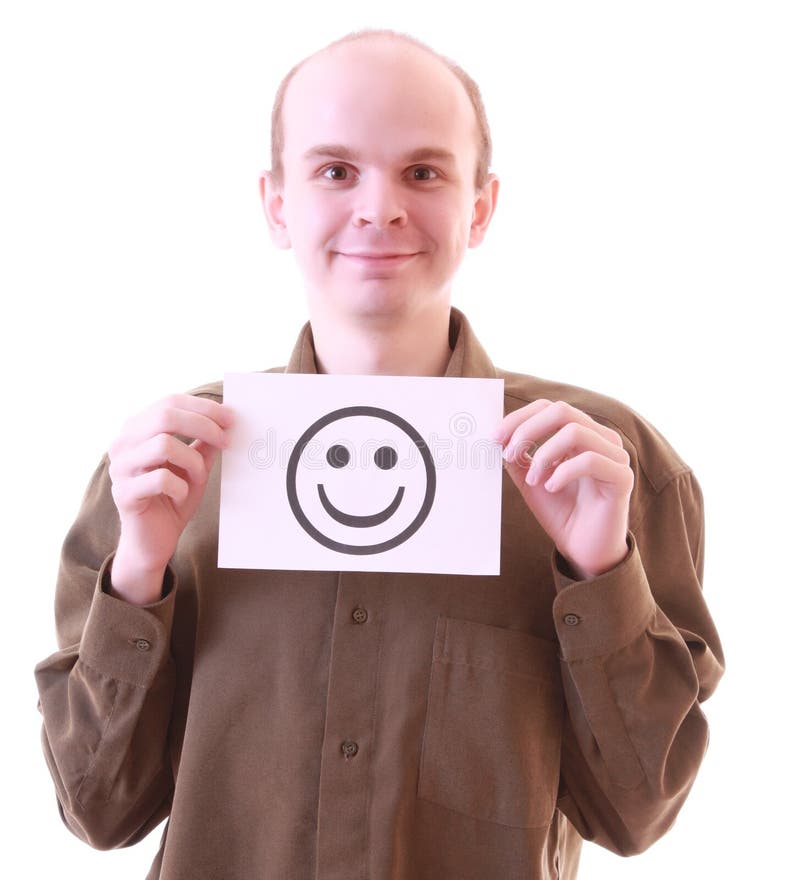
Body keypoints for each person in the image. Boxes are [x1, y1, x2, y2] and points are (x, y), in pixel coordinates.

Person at [34, 29, 724, 880]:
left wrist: (600, 572)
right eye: (334, 170)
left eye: (424, 172)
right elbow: (99, 810)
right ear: (277, 202)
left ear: (481, 205)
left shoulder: (608, 470)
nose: (379, 208)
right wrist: (141, 572)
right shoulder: (161, 471)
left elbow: (634, 813)